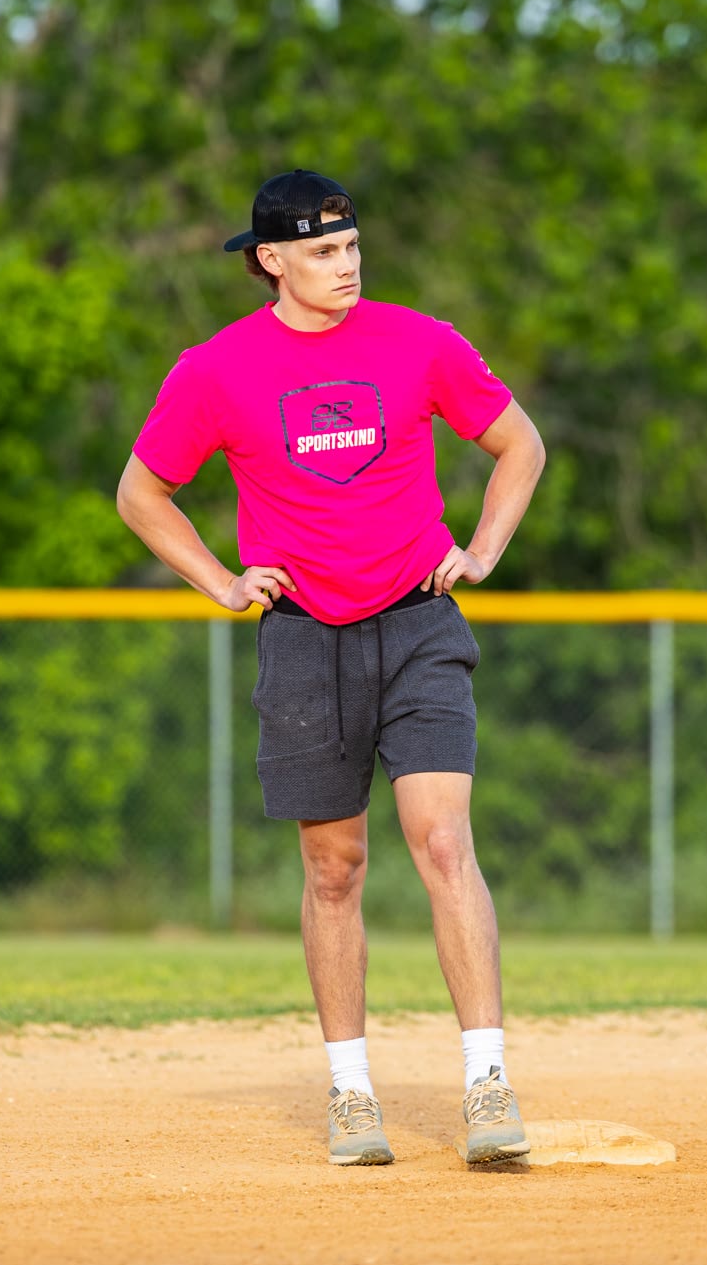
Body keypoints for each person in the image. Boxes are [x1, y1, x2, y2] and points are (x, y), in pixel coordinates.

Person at [117, 169, 546, 1166]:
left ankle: (486, 1078)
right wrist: (218, 581)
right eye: (320, 251)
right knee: (334, 866)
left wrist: (482, 549)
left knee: (441, 842)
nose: (344, 266)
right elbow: (142, 492)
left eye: (351, 247)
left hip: (417, 622)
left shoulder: (417, 340)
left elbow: (517, 442)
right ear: (268, 259)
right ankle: (352, 1094)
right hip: (305, 635)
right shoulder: (216, 369)